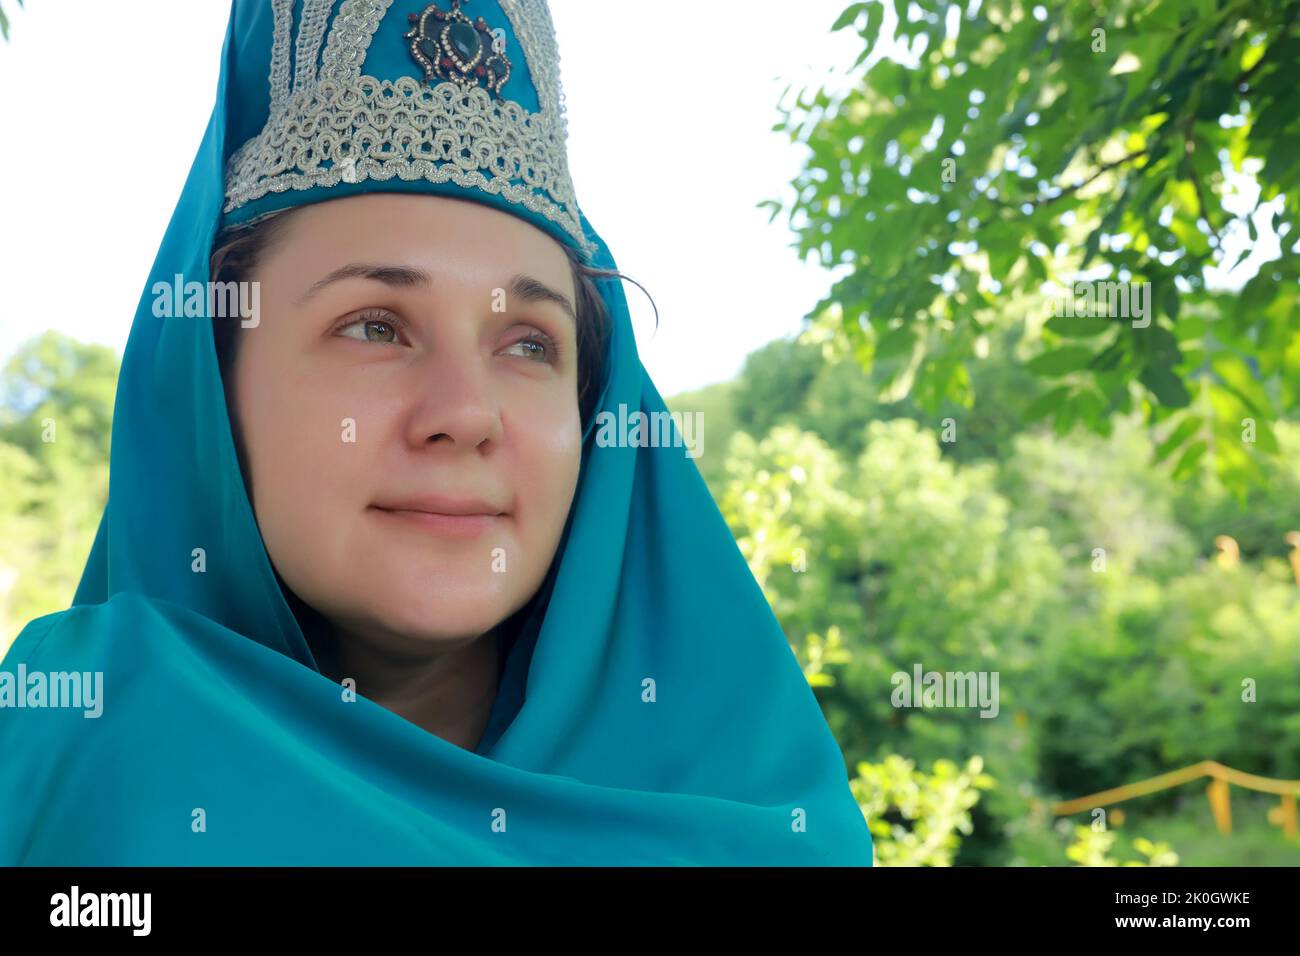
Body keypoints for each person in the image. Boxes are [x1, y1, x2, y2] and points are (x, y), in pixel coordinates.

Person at [0, 0, 873, 866]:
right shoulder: (67, 749)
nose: (465, 414)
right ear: (210, 385)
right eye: (376, 326)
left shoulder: (757, 826)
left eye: (530, 345)